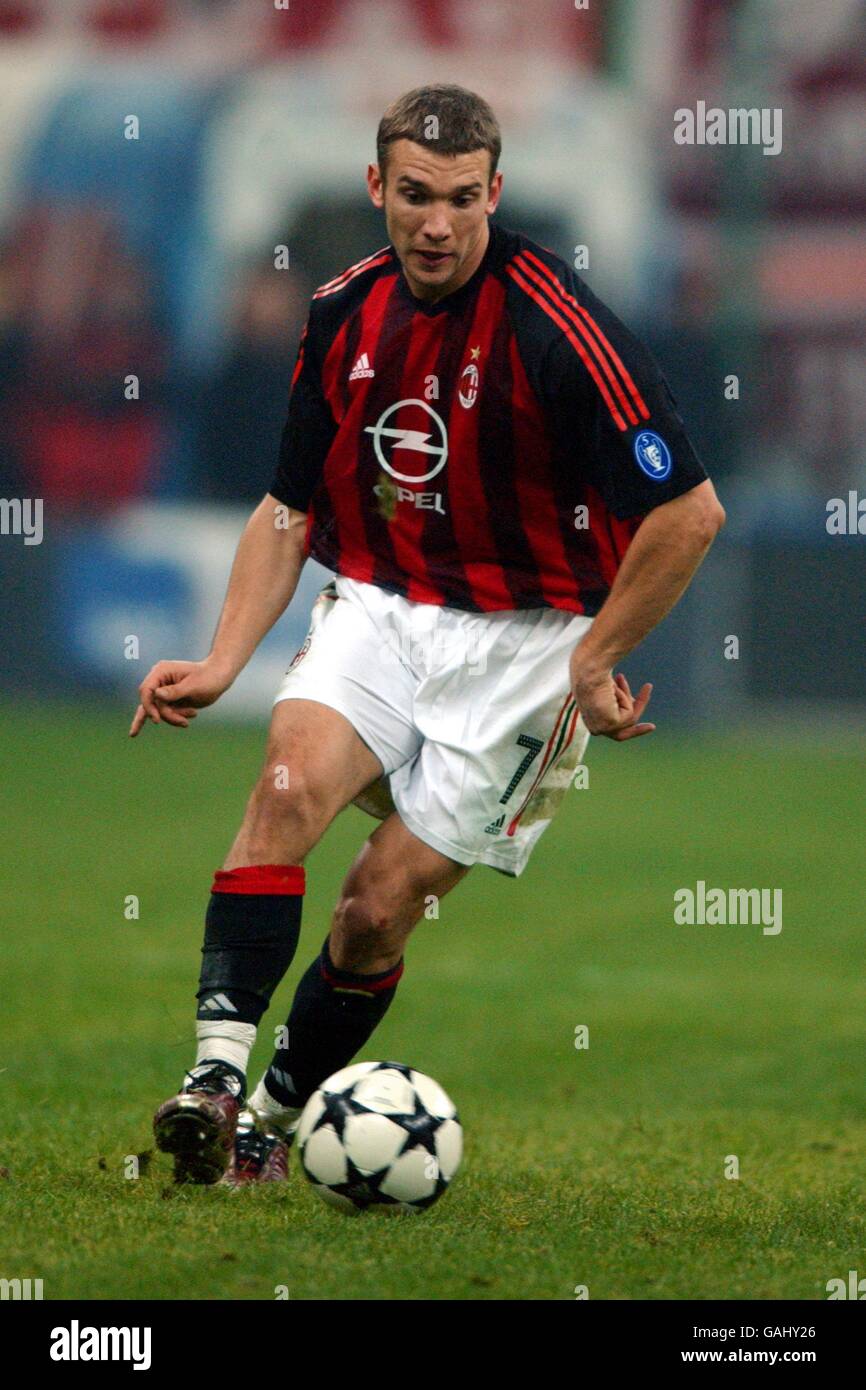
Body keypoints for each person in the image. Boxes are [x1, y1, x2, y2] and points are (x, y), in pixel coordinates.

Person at [130, 84, 725, 1187]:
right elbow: (289, 507)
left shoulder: (560, 328)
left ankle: (262, 1123)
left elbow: (686, 514)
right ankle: (209, 1081)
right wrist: (221, 660)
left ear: (493, 192)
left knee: (372, 910)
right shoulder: (341, 311)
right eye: (414, 195)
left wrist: (593, 657)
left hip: (529, 645)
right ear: (377, 189)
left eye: (460, 198)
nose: (436, 222)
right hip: (387, 603)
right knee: (282, 788)